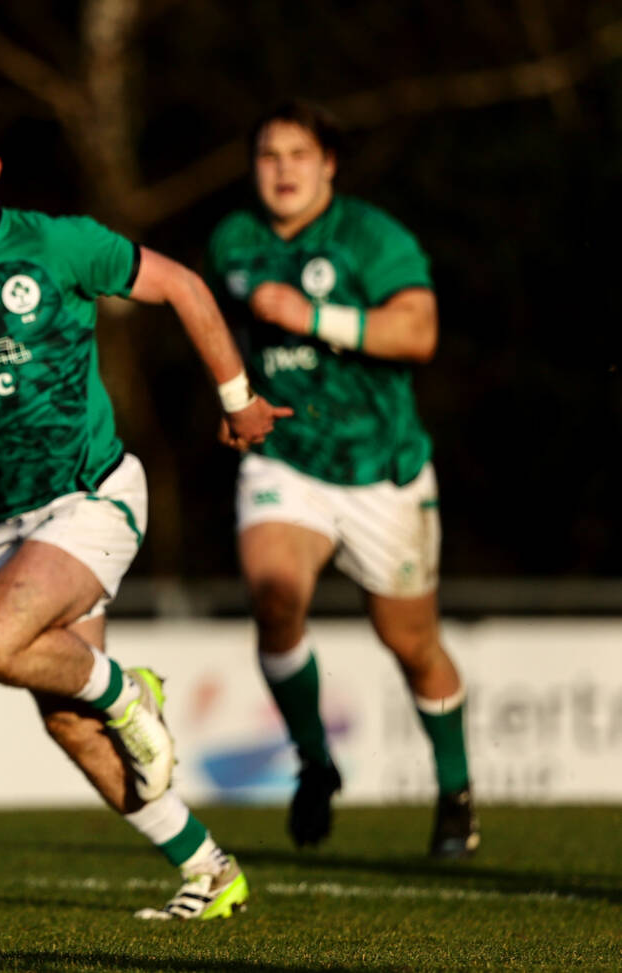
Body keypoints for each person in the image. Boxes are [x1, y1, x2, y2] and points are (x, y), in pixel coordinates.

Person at [0, 91, 290, 920]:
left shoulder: (57, 242)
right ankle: (209, 868)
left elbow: (186, 287)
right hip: (14, 517)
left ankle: (128, 689)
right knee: (68, 724)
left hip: (94, 492)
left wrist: (236, 399)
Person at [205, 99, 476, 858]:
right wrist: (230, 398)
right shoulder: (234, 239)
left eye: (298, 154)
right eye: (268, 155)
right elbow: (220, 331)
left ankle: (454, 789)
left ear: (328, 163)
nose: (283, 169)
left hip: (380, 465)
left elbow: (419, 330)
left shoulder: (369, 234)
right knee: (274, 596)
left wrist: (314, 315)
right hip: (287, 458)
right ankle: (315, 761)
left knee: (411, 641)